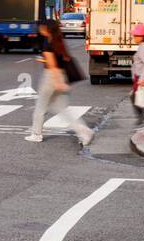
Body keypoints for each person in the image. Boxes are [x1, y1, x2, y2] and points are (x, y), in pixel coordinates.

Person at [25, 19, 93, 147]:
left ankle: (36, 134)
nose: (40, 29)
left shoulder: (48, 44)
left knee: (40, 107)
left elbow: (52, 65)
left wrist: (58, 82)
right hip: (62, 75)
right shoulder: (58, 41)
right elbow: (63, 59)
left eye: (42, 27)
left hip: (51, 78)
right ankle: (83, 131)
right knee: (61, 108)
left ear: (47, 29)